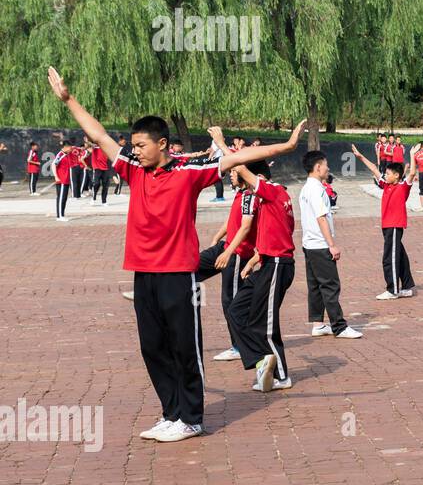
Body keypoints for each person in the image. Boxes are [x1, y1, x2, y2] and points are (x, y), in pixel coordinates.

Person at [47, 66, 303, 442]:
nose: (134, 151)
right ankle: (171, 413)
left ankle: (192, 417)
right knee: (152, 346)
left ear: (162, 144)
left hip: (178, 273)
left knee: (185, 345)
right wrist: (68, 100)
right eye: (133, 145)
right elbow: (98, 133)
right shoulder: (133, 168)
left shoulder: (189, 170)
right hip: (142, 271)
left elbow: (235, 159)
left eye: (141, 145)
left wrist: (285, 147)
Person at [226, 158, 297, 392]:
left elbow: (242, 168)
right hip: (267, 263)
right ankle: (261, 360)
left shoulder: (273, 192)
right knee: (236, 310)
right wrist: (253, 262)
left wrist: (223, 146)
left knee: (264, 324)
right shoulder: (271, 200)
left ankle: (281, 375)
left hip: (277, 265)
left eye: (248, 182)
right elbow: (276, 235)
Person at [300, 150, 363, 340]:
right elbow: (321, 218)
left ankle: (318, 324)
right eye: (325, 164)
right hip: (319, 245)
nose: (328, 168)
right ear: (317, 167)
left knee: (316, 286)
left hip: (310, 245)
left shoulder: (307, 188)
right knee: (330, 285)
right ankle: (339, 326)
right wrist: (332, 244)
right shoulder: (316, 189)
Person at [196, 167, 255, 364]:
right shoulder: (240, 194)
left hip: (237, 254)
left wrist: (229, 252)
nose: (230, 174)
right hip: (225, 246)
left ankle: (239, 346)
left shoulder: (250, 195)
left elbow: (246, 227)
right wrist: (216, 237)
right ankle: (160, 283)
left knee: (231, 302)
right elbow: (232, 220)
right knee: (191, 265)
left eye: (234, 172)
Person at [351, 145, 417, 299]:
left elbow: (412, 173)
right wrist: (360, 156)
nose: (385, 175)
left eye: (388, 173)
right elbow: (374, 168)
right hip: (387, 225)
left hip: (394, 225)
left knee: (390, 257)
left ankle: (393, 290)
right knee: (399, 255)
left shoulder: (402, 187)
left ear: (396, 175)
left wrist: (413, 155)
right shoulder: (386, 185)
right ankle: (407, 287)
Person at [52, 142, 75, 221]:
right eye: (70, 148)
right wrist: (56, 176)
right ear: (66, 147)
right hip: (61, 180)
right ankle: (59, 216)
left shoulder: (67, 155)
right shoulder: (60, 155)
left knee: (64, 198)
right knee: (61, 198)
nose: (71, 149)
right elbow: (53, 165)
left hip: (66, 180)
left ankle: (62, 215)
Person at [89, 137, 112, 204]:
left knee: (105, 185)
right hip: (97, 168)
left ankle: (104, 201)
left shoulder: (107, 149)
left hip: (105, 169)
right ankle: (93, 198)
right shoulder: (96, 147)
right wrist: (89, 142)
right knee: (96, 184)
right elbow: (91, 144)